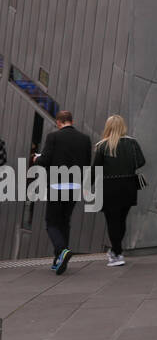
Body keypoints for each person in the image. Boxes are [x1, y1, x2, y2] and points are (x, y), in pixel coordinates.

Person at [32, 110, 92, 274]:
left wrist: (37, 158)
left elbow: (45, 160)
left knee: (51, 222)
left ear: (59, 122)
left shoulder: (54, 137)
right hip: (75, 186)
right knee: (65, 221)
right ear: (71, 121)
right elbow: (87, 165)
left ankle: (61, 250)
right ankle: (58, 259)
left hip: (57, 185)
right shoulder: (85, 139)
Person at [89, 115, 145, 267]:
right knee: (121, 220)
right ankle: (116, 251)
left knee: (112, 221)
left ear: (108, 126)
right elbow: (141, 161)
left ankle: (117, 254)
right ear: (122, 126)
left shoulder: (102, 145)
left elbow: (95, 170)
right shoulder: (132, 143)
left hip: (109, 188)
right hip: (128, 187)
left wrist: (88, 186)